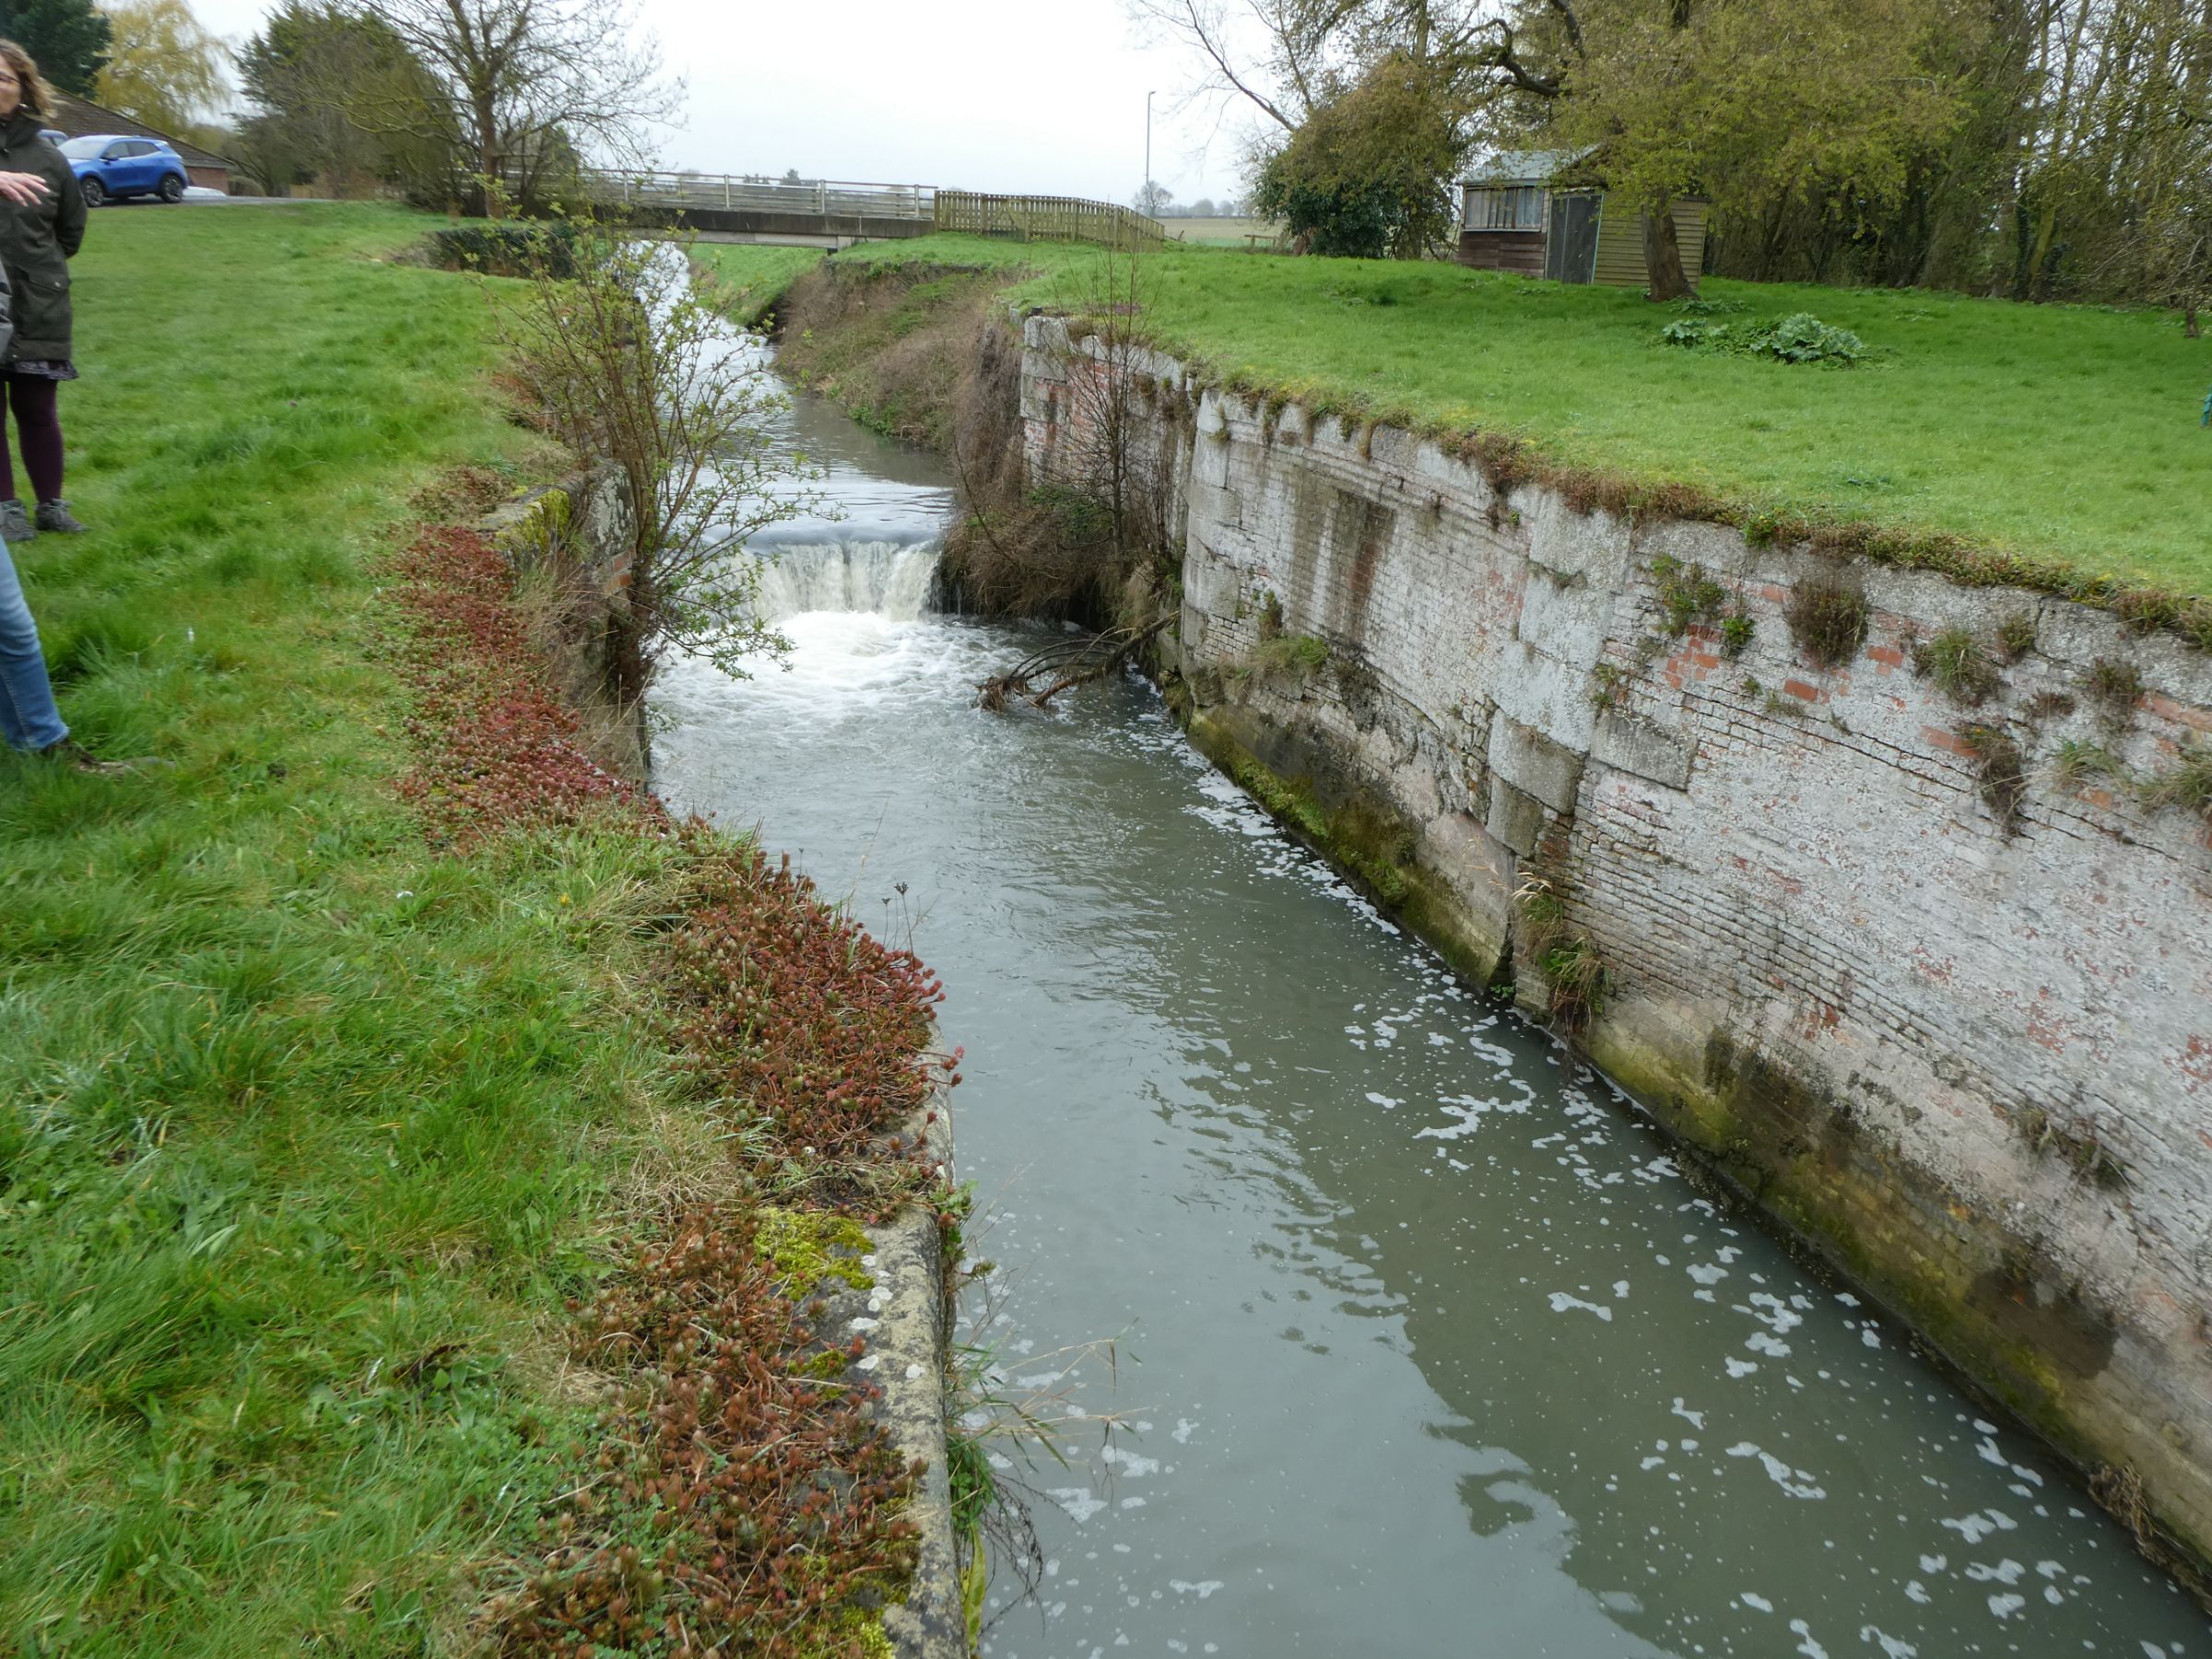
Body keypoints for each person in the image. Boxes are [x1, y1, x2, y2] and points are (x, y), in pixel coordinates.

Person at [0, 158, 122, 771]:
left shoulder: (41, 158)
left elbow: (68, 228)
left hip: (32, 315)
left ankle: (45, 748)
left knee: (10, 624)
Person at [0, 40, 87, 542]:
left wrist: (39, 267)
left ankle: (51, 506)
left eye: (6, 77)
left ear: (24, 86)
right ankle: (6, 509)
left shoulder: (49, 157)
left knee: (37, 409)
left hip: (39, 301)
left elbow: (71, 231)